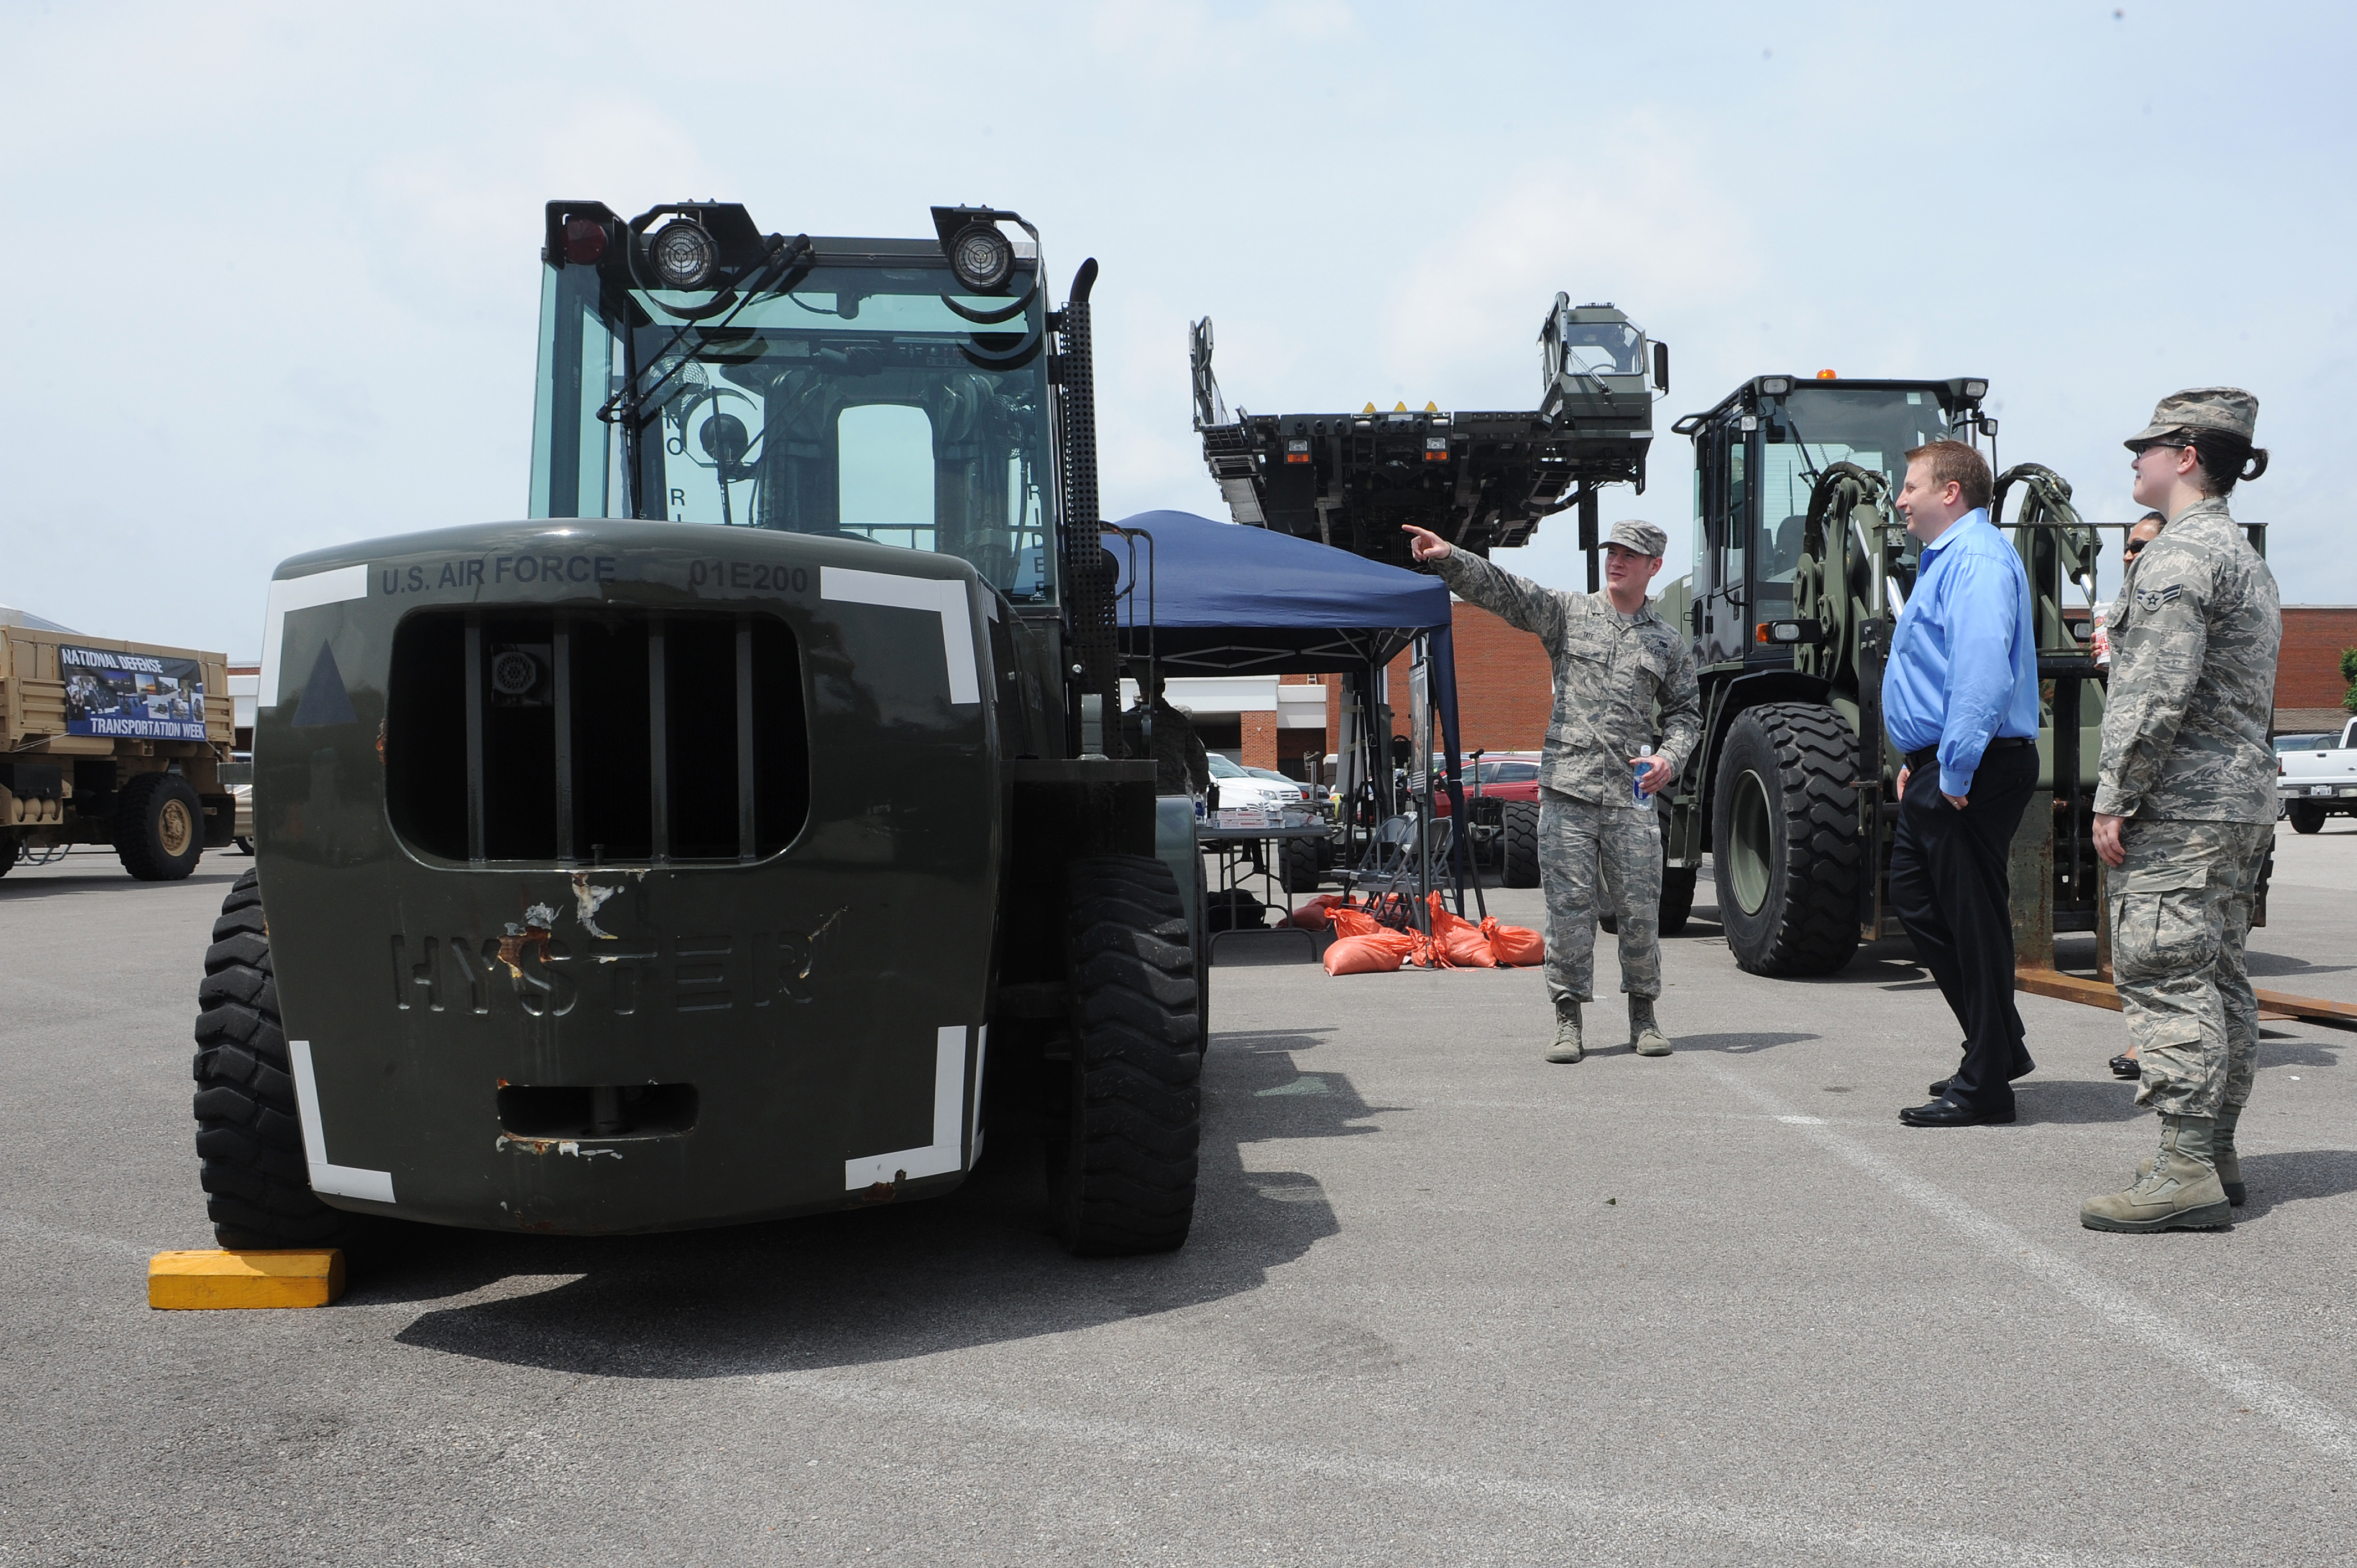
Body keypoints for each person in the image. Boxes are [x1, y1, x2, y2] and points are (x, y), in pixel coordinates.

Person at [2081, 388, 2278, 1234]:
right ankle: (2215, 1151)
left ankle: (2186, 1167)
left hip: (2181, 808)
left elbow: (2154, 695)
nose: (2136, 459)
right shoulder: (2245, 558)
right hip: (2237, 806)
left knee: (2167, 976)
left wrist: (2115, 796)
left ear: (2188, 456)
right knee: (2223, 977)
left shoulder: (2175, 558)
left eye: (2149, 446)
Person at [1401, 518, 1700, 1064]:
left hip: (1630, 798)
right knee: (1567, 911)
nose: (1616, 560)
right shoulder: (1569, 613)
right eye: (1612, 550)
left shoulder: (1668, 643)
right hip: (1566, 791)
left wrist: (1667, 757)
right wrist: (1448, 557)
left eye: (1630, 555)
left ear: (1653, 566)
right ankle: (1567, 1019)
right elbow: (1509, 593)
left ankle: (1643, 1016)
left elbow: (1685, 716)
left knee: (1638, 912)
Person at [1883, 439, 2043, 1128]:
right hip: (1942, 765)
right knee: (1917, 898)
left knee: (1971, 920)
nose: (1899, 499)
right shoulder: (1946, 559)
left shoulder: (1973, 558)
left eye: (1909, 486)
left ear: (1949, 492)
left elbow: (1980, 667)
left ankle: (1984, 1084)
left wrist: (1951, 764)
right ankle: (1997, 1045)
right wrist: (1917, 754)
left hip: (1969, 770)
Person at [2102, 509, 2171, 1079]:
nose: (2130, 555)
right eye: (2127, 547)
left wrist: (2116, 798)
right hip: (2139, 784)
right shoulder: (2117, 613)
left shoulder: (2165, 604)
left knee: (2152, 941)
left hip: (2162, 797)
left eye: (2143, 546)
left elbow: (2151, 706)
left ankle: (2150, 1047)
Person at [1120, 672, 1211, 800]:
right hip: (1172, 792)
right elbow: (1196, 755)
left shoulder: (1128, 720)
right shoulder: (1178, 720)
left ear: (1141, 690)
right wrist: (1201, 782)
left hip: (1136, 792)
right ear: (1163, 688)